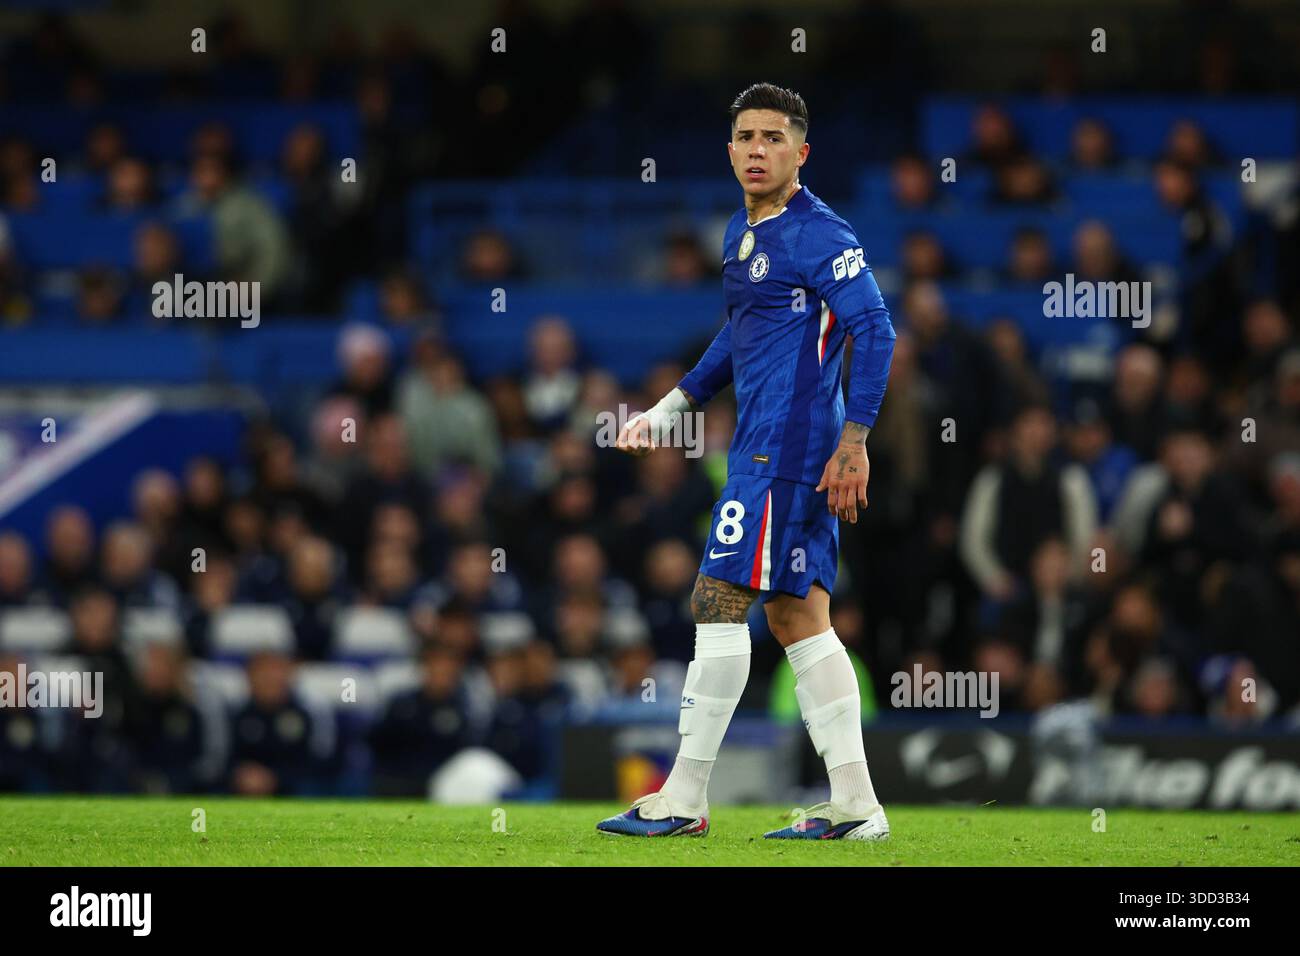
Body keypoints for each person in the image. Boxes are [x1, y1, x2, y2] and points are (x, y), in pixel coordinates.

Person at [596, 84, 896, 841]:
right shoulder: (742, 229)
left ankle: (686, 794)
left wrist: (855, 440)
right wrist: (673, 407)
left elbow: (877, 329)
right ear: (729, 150)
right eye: (745, 137)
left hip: (785, 450)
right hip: (769, 446)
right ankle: (857, 805)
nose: (758, 149)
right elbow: (740, 331)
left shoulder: (819, 234)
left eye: (773, 137)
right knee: (798, 617)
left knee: (716, 600)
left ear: (802, 150)